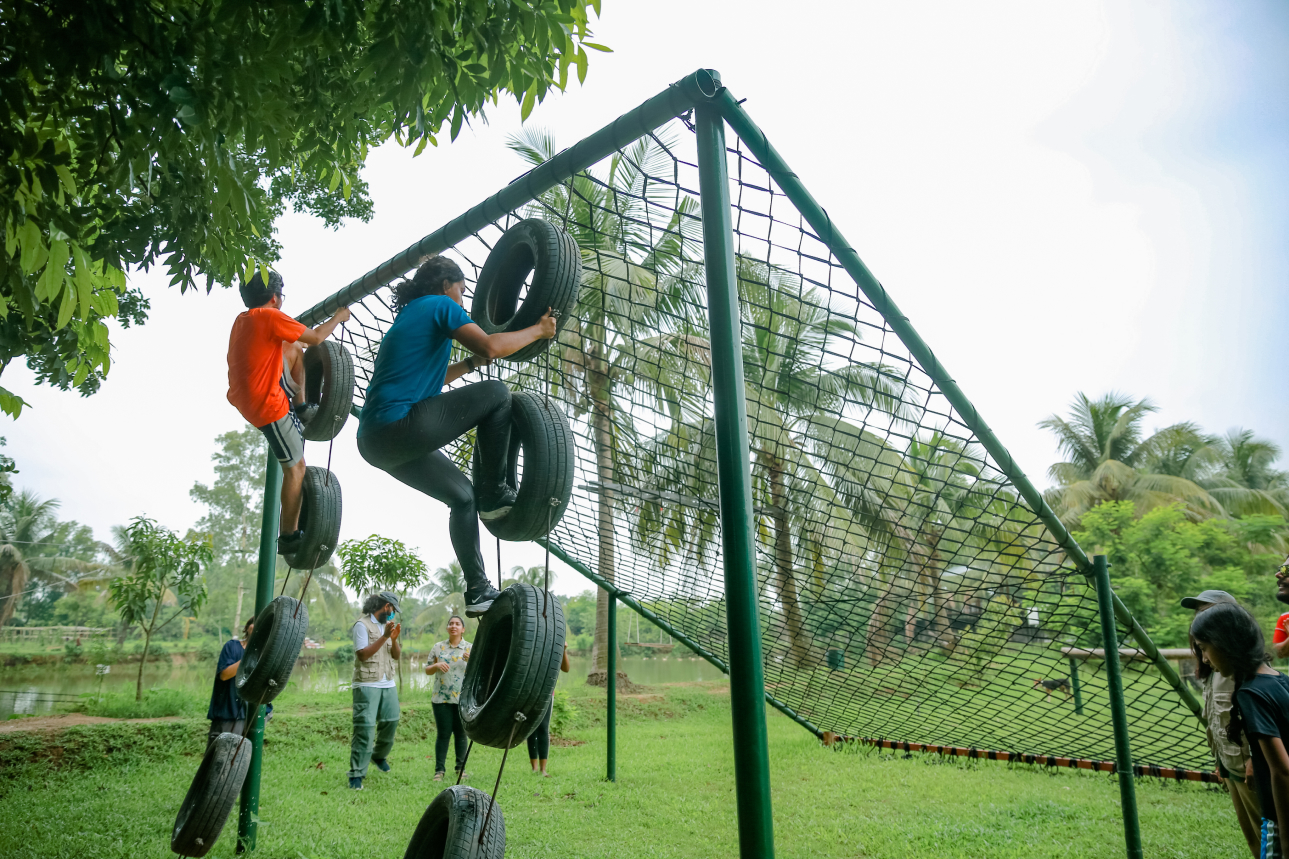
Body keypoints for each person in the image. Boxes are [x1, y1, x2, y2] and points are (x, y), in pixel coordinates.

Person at [355, 256, 556, 618]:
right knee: (496, 393)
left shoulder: (410, 315)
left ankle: (478, 590)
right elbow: (491, 346)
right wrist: (539, 331)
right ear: (447, 285)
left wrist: (467, 366)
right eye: (462, 291)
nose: (463, 301)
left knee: (463, 498)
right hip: (400, 424)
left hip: (376, 441)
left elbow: (428, 384)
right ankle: (495, 492)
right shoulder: (440, 304)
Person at [226, 269, 350, 556]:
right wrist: (338, 318)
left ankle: (302, 405)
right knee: (296, 468)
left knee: (294, 344)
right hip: (266, 406)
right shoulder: (271, 316)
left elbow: (297, 341)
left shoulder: (244, 320)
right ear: (275, 298)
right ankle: (289, 536)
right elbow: (318, 337)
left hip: (247, 395)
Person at [1191, 603, 1289, 859]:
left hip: (1279, 818)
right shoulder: (1279, 680)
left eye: (1204, 649)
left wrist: (1284, 833)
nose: (1204, 658)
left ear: (1226, 643)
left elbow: (1282, 770)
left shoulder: (1250, 694)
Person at [1182, 589, 1261, 857]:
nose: (1198, 620)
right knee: (1252, 837)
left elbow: (1258, 719)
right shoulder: (1213, 668)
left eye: (1207, 613)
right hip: (1229, 764)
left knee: (1269, 835)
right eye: (1197, 613)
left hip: (1251, 768)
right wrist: (1219, 760)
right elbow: (1217, 718)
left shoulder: (1244, 670)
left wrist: (1255, 759)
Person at [348, 591, 402, 790]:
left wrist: (393, 639)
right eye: (392, 610)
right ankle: (356, 775)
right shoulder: (362, 625)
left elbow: (396, 656)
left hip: (388, 683)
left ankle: (378, 756)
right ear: (386, 606)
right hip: (367, 683)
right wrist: (384, 637)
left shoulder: (388, 627)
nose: (393, 614)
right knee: (365, 729)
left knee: (391, 721)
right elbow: (362, 655)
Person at [425, 615, 471, 782]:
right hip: (441, 698)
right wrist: (436, 665)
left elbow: (480, 670)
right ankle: (439, 771)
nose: (454, 626)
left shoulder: (470, 649)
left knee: (461, 734)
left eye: (457, 624)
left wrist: (471, 661)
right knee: (443, 734)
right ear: (447, 628)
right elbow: (427, 670)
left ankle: (460, 768)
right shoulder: (438, 647)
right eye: (451, 623)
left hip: (463, 699)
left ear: (462, 629)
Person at [207, 619, 253, 747]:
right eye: (255, 622)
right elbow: (225, 674)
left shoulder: (267, 653)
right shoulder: (232, 646)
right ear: (247, 627)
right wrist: (251, 655)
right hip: (229, 713)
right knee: (220, 759)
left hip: (253, 716)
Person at [528, 642, 571, 776]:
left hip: (546, 693)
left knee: (543, 728)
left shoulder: (553, 647)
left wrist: (563, 650)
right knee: (530, 728)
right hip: (528, 692)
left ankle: (543, 769)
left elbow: (566, 668)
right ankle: (534, 768)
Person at [1269, 555, 1289, 660]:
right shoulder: (1286, 619)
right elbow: (1275, 654)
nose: (1277, 574)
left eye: (1286, 570)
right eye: (1280, 569)